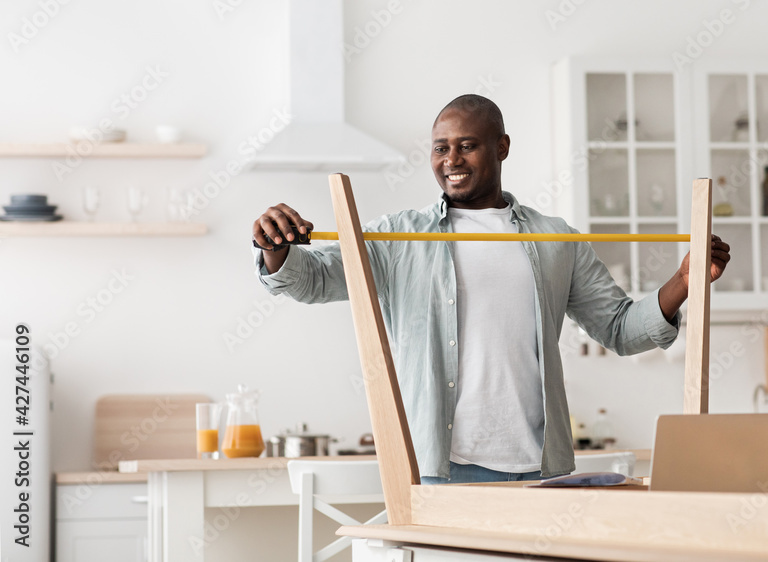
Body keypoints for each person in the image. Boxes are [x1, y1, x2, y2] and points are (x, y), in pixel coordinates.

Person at [252, 94, 731, 484]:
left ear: (501, 147)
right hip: (441, 468)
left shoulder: (556, 239)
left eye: (467, 145)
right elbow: (312, 279)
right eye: (440, 148)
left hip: (540, 471)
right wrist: (275, 247)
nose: (451, 160)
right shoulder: (399, 237)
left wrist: (684, 281)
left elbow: (621, 329)